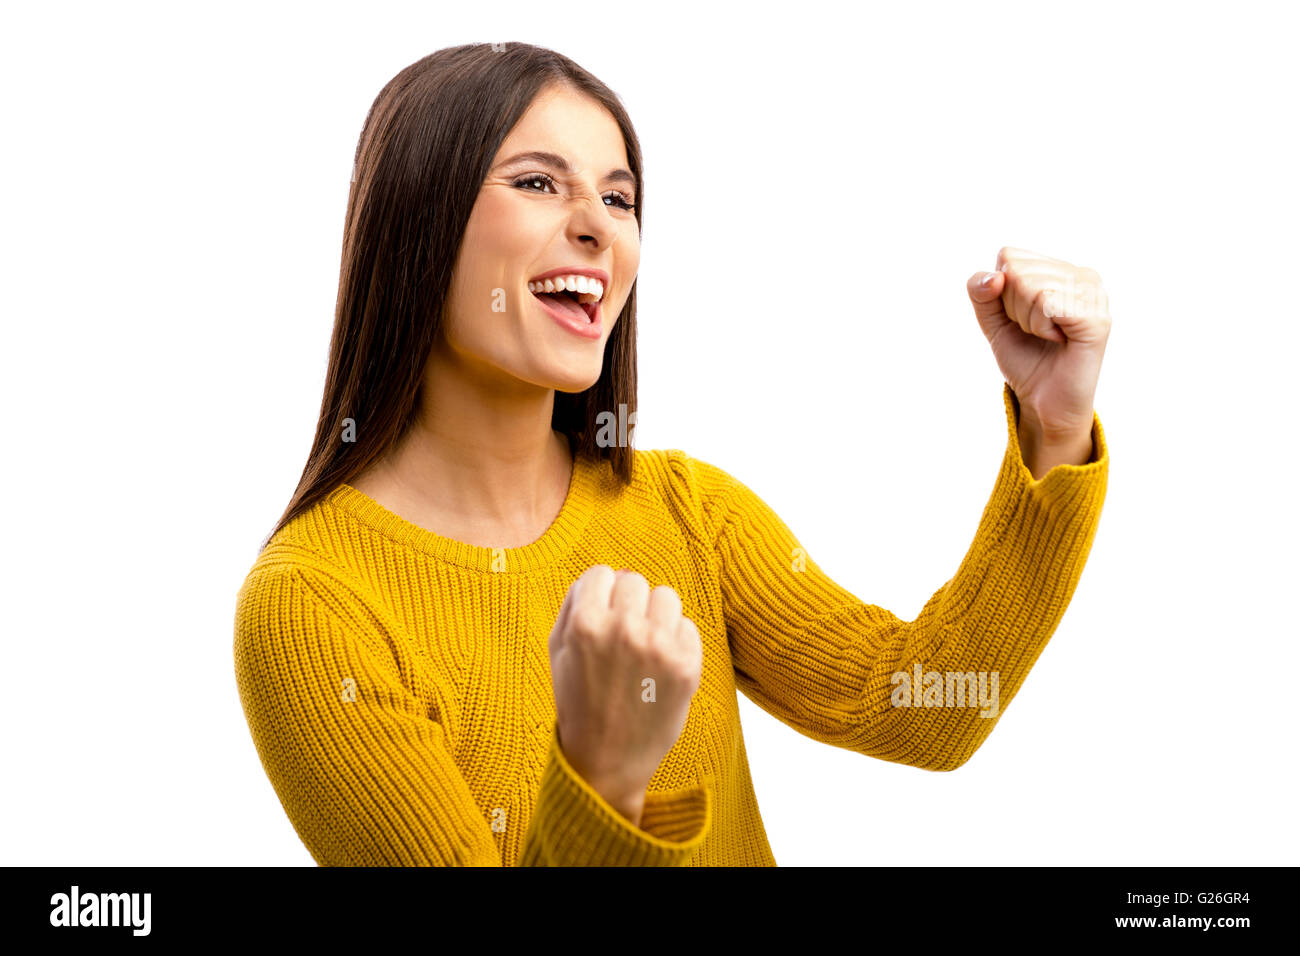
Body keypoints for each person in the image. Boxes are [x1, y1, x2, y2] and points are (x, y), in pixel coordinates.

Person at [232, 42, 1110, 866]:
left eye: (618, 199)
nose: (598, 228)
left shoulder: (689, 510)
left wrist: (1053, 426)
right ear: (417, 219)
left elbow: (924, 711)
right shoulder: (312, 608)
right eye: (538, 182)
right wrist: (604, 777)